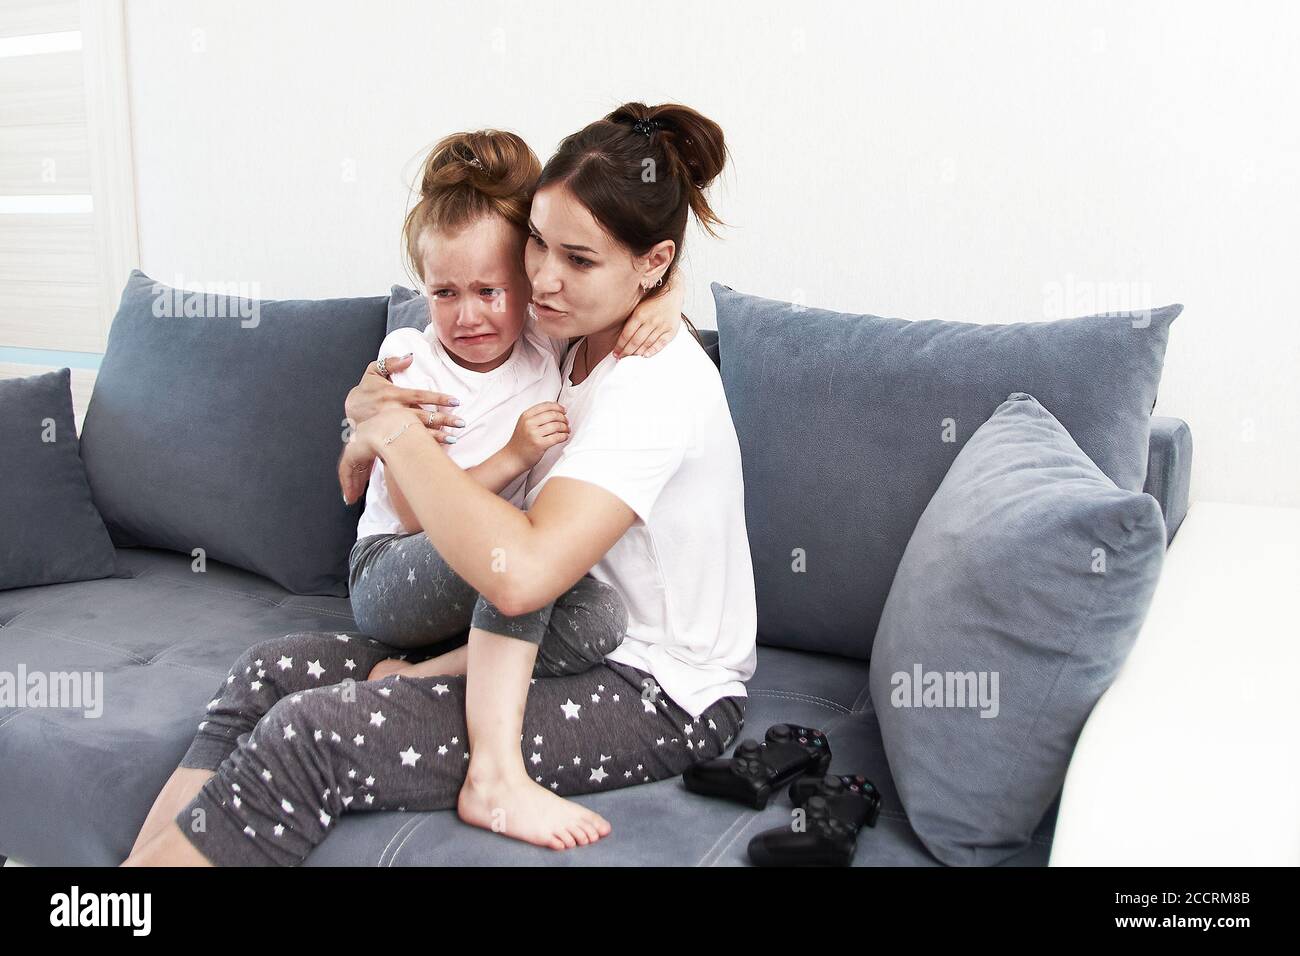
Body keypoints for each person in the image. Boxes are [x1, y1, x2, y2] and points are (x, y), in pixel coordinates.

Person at [124, 102, 757, 866]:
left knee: (312, 734)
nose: (547, 282)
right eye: (538, 246)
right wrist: (660, 286)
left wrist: (388, 430)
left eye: (580, 261)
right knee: (269, 671)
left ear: (650, 262)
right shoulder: (562, 340)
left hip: (657, 689)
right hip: (550, 638)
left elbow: (518, 571)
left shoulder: (654, 383)